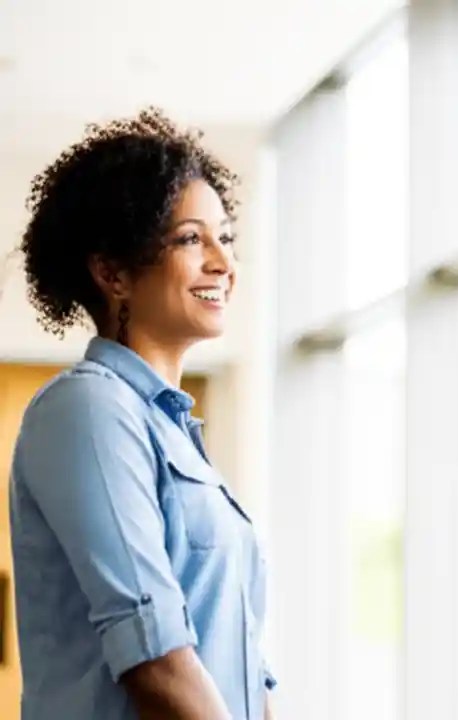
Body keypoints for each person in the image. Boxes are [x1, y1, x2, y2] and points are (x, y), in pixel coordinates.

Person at [10, 108, 275, 720]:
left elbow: (246, 668)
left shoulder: (175, 436)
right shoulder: (88, 410)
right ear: (112, 273)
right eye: (190, 239)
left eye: (225, 238)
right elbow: (158, 661)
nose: (222, 263)